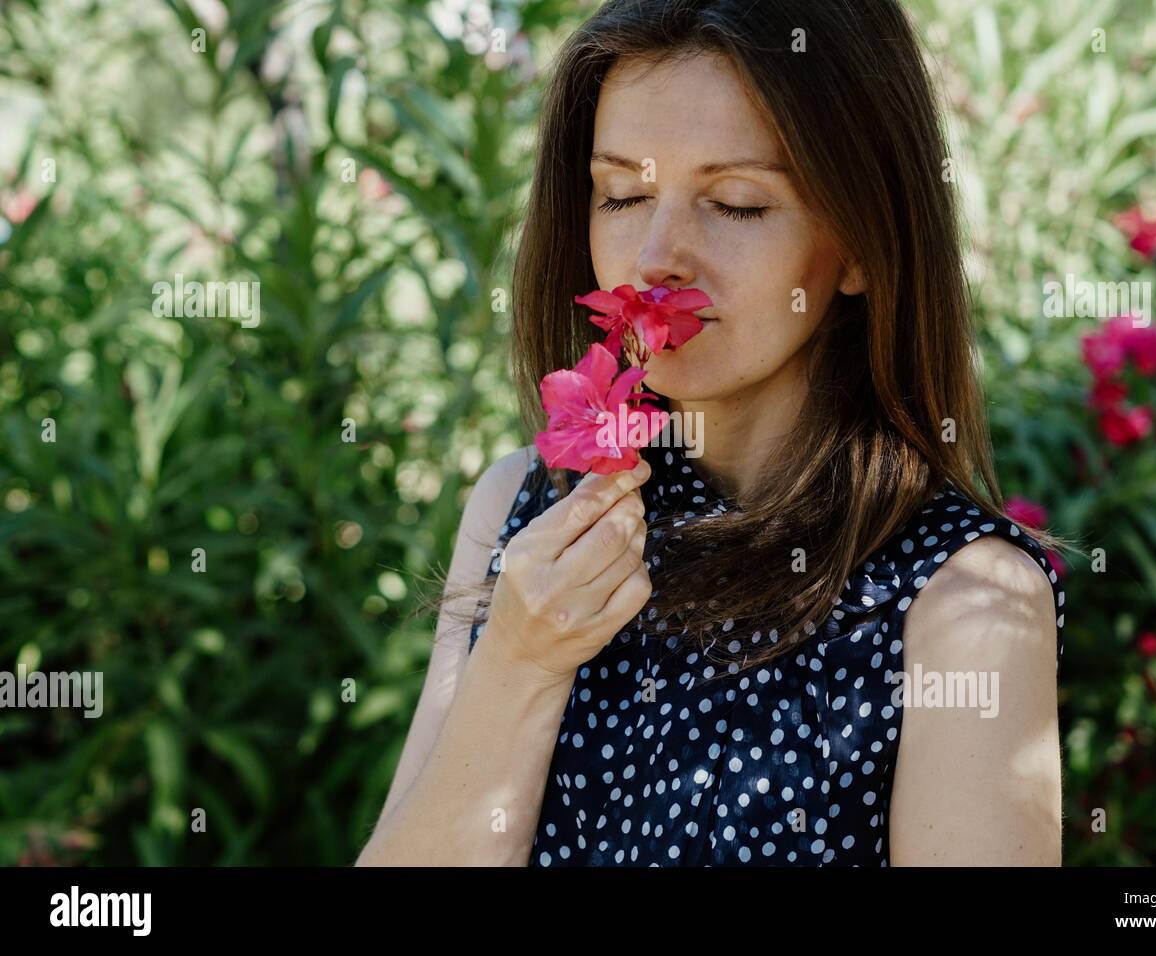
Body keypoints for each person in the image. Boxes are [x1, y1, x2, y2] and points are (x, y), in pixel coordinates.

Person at [357, 0, 1068, 867]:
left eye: (734, 204)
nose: (657, 256)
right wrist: (518, 663)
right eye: (623, 193)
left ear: (860, 247)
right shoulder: (517, 510)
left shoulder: (962, 602)